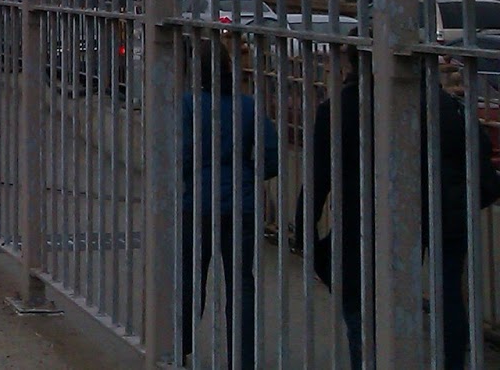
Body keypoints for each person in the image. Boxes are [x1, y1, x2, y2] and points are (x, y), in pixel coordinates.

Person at [298, 48, 498, 369]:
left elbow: (319, 177)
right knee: (447, 294)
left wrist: (304, 233)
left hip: (383, 215)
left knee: (366, 298)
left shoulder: (345, 108)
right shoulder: (445, 104)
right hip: (447, 212)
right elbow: (480, 154)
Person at [180, 39, 277, 370]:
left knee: (191, 279)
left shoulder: (189, 105)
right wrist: (247, 175)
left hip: (198, 204)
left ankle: (180, 346)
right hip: (241, 204)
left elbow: (181, 154)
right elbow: (271, 156)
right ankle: (242, 357)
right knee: (241, 283)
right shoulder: (247, 106)